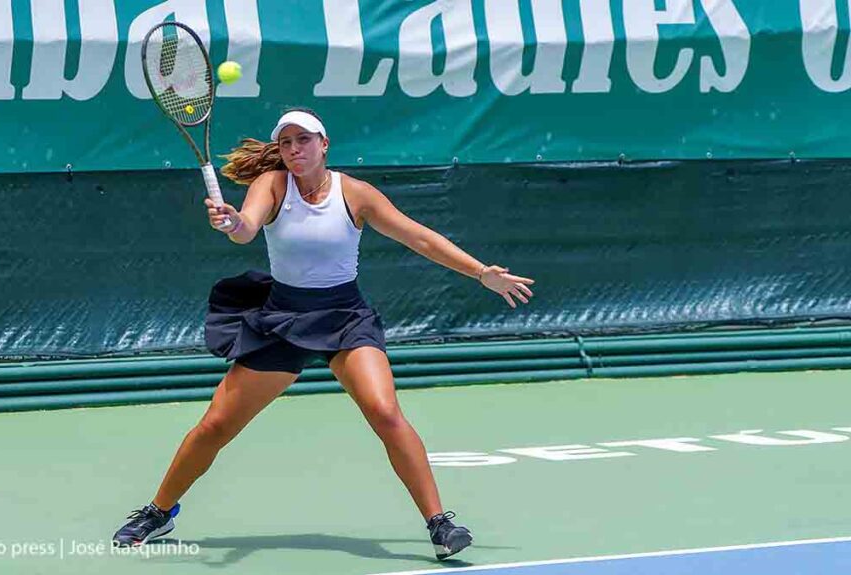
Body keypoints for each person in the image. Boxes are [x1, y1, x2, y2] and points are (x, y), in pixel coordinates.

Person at [111, 108, 535, 561]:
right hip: (284, 320)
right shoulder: (272, 185)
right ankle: (159, 511)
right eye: (287, 143)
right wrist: (233, 223)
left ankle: (439, 523)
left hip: (345, 318)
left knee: (385, 412)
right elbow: (247, 228)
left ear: (323, 144)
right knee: (216, 424)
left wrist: (479, 273)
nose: (295, 150)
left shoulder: (356, 194)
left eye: (304, 140)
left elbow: (420, 239)